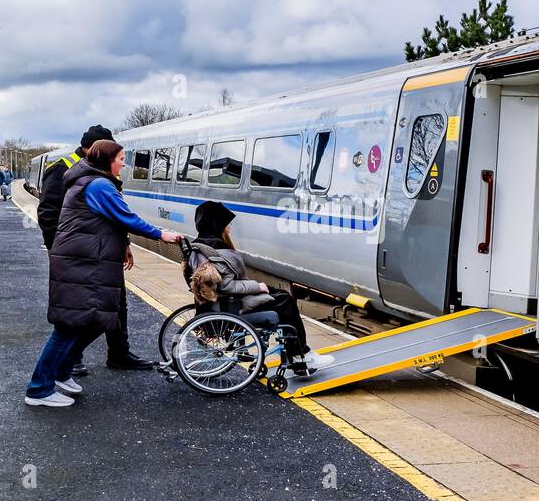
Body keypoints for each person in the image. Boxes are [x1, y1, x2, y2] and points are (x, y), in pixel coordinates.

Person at [25, 140, 182, 407]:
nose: (124, 163)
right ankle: (39, 389)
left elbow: (111, 222)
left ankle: (61, 374)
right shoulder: (99, 185)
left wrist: (125, 246)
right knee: (68, 327)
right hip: (83, 264)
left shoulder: (94, 181)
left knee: (93, 321)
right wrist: (161, 234)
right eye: (121, 158)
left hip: (89, 262)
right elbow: (126, 217)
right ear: (108, 159)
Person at [37, 125, 154, 373]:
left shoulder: (103, 172)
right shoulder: (62, 168)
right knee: (79, 308)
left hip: (104, 252)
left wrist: (125, 244)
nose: (118, 161)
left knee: (115, 303)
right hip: (77, 254)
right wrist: (56, 250)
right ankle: (72, 360)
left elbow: (113, 216)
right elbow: (48, 213)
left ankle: (119, 354)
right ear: (93, 148)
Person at [187, 200, 324, 377]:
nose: (229, 229)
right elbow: (226, 287)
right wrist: (256, 286)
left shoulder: (199, 247)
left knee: (279, 294)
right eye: (226, 225)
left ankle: (295, 355)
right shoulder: (215, 252)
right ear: (217, 225)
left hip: (221, 304)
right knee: (286, 301)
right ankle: (300, 355)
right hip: (233, 307)